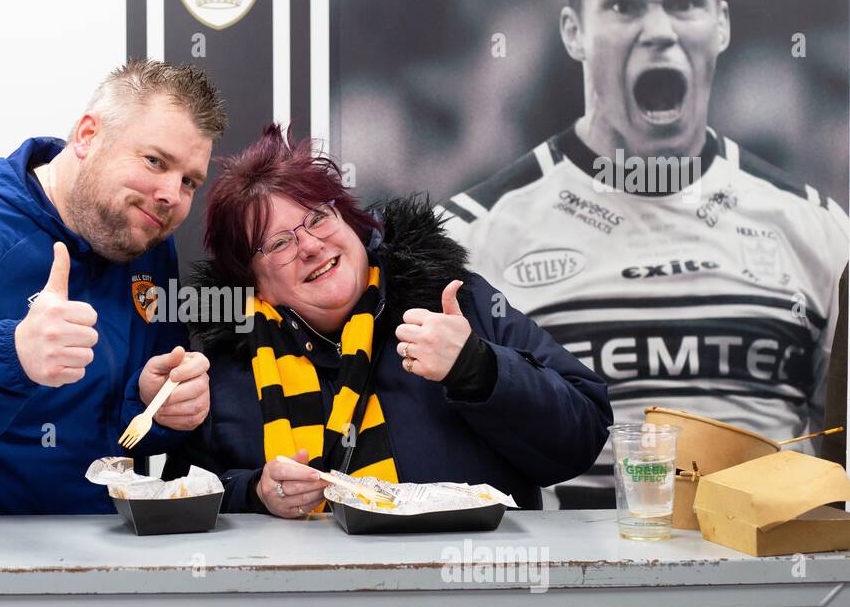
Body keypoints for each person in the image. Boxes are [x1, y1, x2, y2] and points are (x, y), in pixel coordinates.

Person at [437, 0, 849, 507]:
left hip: (769, 592)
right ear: (573, 31)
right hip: (569, 590)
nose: (659, 30)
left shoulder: (819, 229)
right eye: (624, 4)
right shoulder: (474, 234)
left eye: (685, 2)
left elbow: (841, 456)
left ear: (722, 25)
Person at [167, 124, 611, 516]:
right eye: (279, 243)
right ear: (256, 283)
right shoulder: (227, 363)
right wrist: (255, 493)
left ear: (352, 222)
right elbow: (184, 494)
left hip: (472, 591)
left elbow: (581, 438)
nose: (309, 246)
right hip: (309, 603)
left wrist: (477, 367)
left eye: (318, 218)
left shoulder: (454, 302)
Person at [0, 59, 226, 515]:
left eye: (189, 181)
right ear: (88, 136)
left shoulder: (145, 243)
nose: (171, 194)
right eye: (154, 161)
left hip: (102, 567)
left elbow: (120, 435)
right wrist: (12, 360)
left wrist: (155, 405)